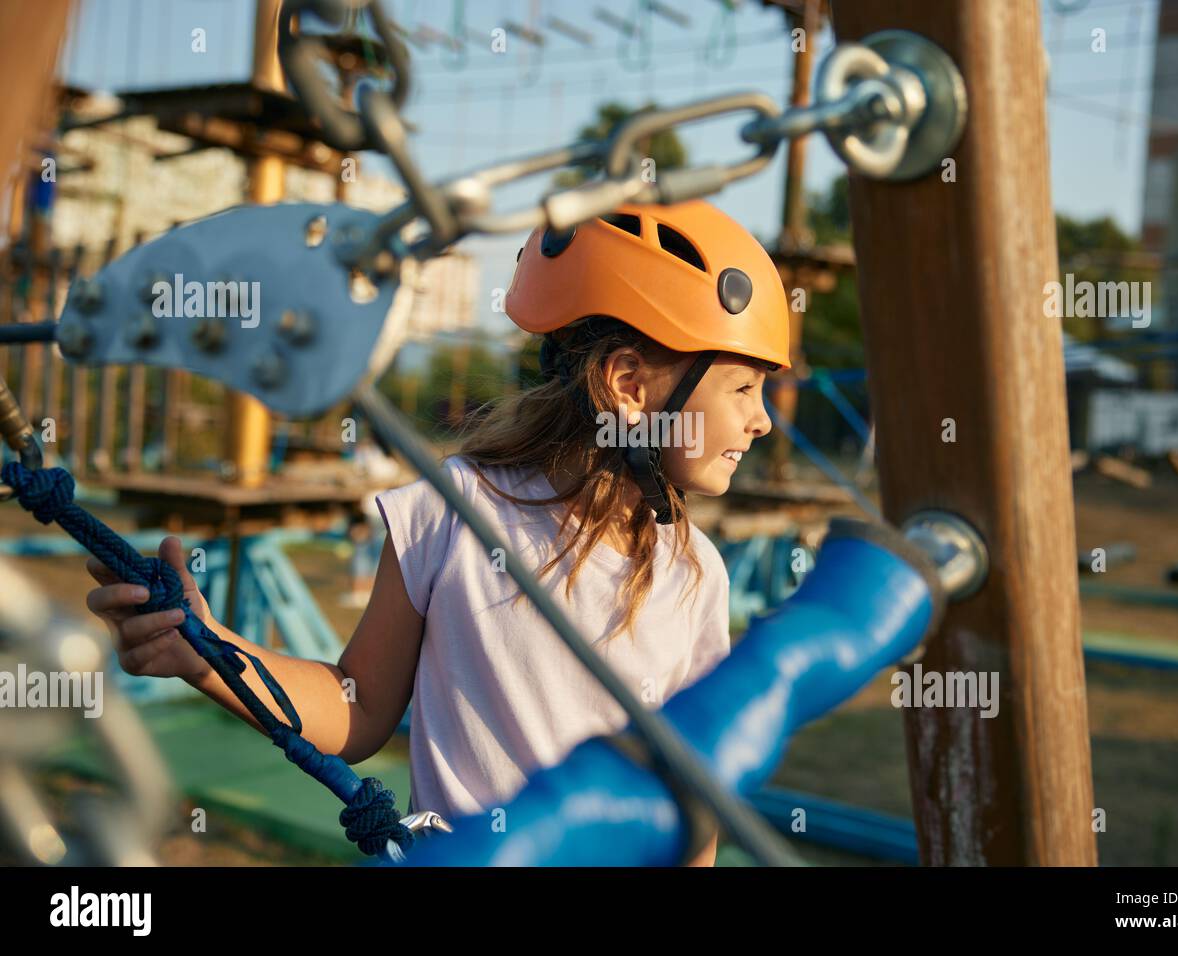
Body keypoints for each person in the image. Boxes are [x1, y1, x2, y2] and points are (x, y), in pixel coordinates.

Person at [84, 200, 790, 867]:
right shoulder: (454, 510)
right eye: (743, 388)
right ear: (630, 386)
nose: (762, 420)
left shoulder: (696, 574)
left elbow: (692, 793)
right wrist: (207, 652)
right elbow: (356, 708)